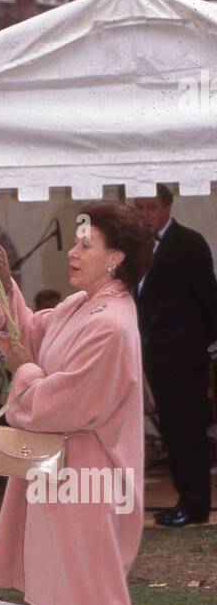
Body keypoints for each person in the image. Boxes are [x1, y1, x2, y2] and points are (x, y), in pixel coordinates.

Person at [0, 204, 169, 605]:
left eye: (86, 244)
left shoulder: (111, 325)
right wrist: (2, 279)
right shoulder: (79, 308)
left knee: (97, 593)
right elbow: (28, 334)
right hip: (62, 470)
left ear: (117, 258)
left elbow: (61, 400)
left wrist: (23, 370)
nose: (74, 250)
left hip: (92, 478)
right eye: (75, 242)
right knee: (64, 582)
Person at [134, 185, 217, 526]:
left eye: (151, 207)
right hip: (156, 355)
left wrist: (209, 351)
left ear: (167, 207)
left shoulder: (188, 242)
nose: (145, 214)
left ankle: (194, 502)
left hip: (185, 356)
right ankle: (188, 500)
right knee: (173, 431)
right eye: (139, 208)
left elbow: (209, 299)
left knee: (188, 431)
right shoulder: (136, 247)